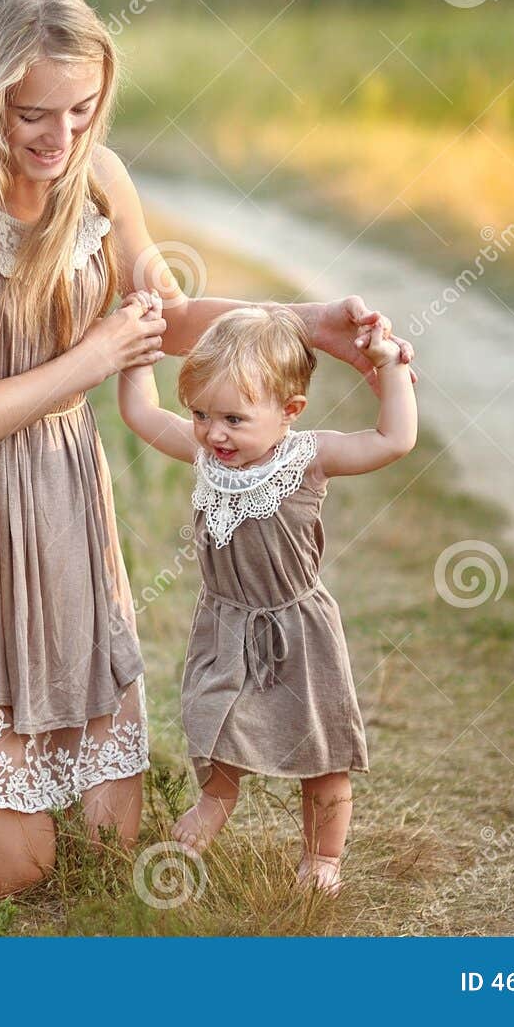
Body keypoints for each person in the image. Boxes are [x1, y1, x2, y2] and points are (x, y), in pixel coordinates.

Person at [0, 0, 415, 896]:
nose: (61, 138)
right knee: (16, 868)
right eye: (32, 113)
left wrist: (305, 321)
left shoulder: (98, 178)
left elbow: (167, 317)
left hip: (66, 498)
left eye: (82, 110)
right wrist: (96, 354)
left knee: (104, 849)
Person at [116, 299, 417, 895]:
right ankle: (209, 808)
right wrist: (138, 348)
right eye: (201, 414)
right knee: (217, 726)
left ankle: (322, 857)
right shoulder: (206, 454)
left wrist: (390, 369)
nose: (213, 432)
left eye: (232, 418)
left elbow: (393, 439)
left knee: (321, 752)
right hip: (226, 624)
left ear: (289, 411)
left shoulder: (309, 458)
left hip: (297, 628)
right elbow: (142, 414)